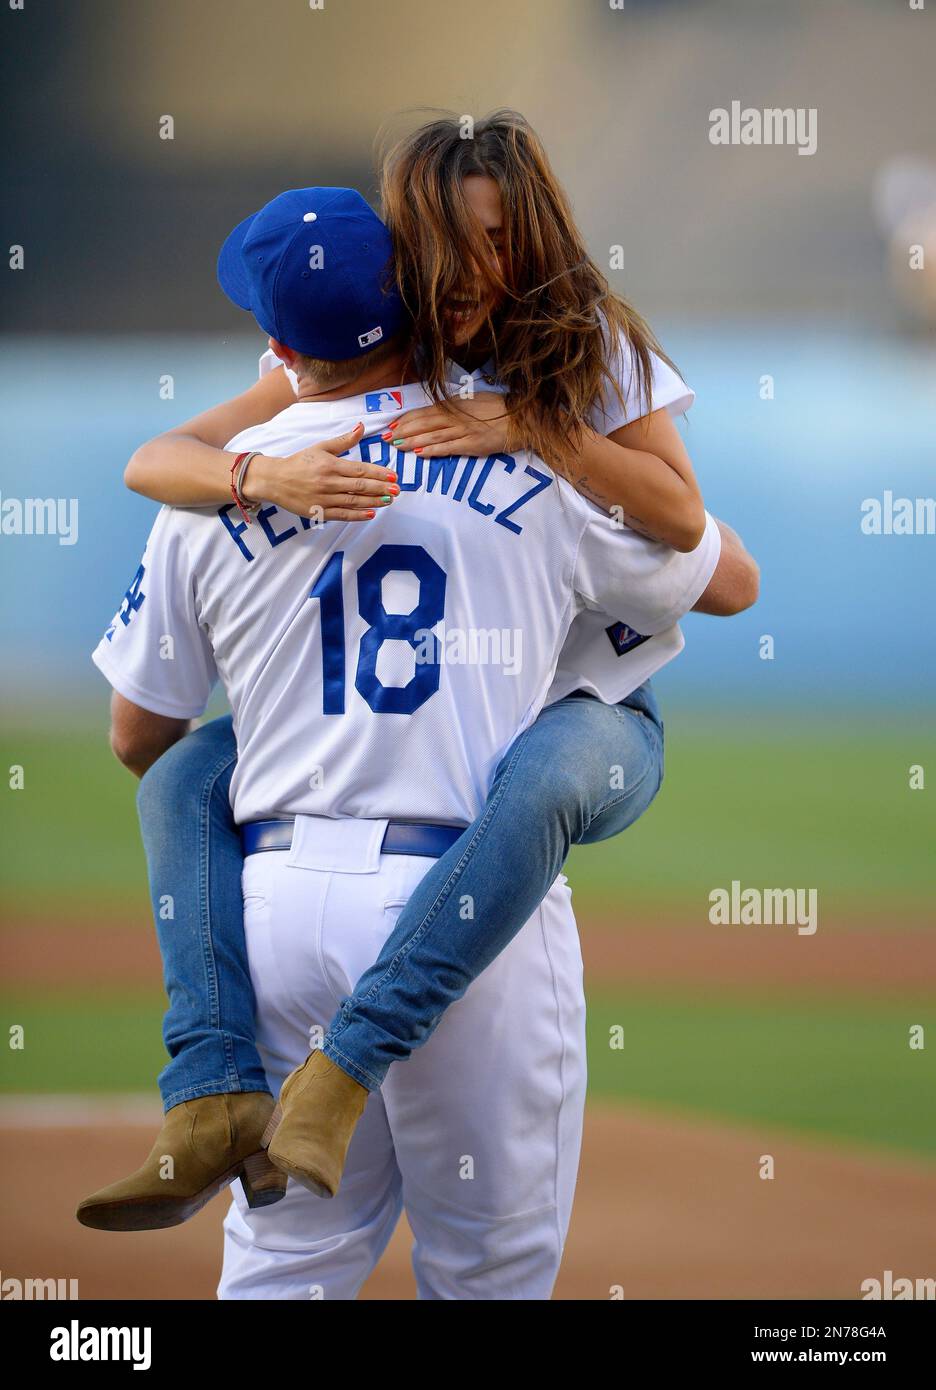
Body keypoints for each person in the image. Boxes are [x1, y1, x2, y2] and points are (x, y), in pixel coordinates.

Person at [81, 111, 759, 1233]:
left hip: (588, 699)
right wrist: (267, 476)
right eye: (444, 241)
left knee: (539, 780)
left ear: (533, 236)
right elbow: (158, 460)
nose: (471, 269)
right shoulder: (386, 357)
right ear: (402, 256)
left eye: (496, 239)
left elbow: (710, 553)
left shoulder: (587, 338)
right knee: (185, 778)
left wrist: (536, 429)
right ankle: (206, 1093)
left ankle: (342, 1066)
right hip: (449, 711)